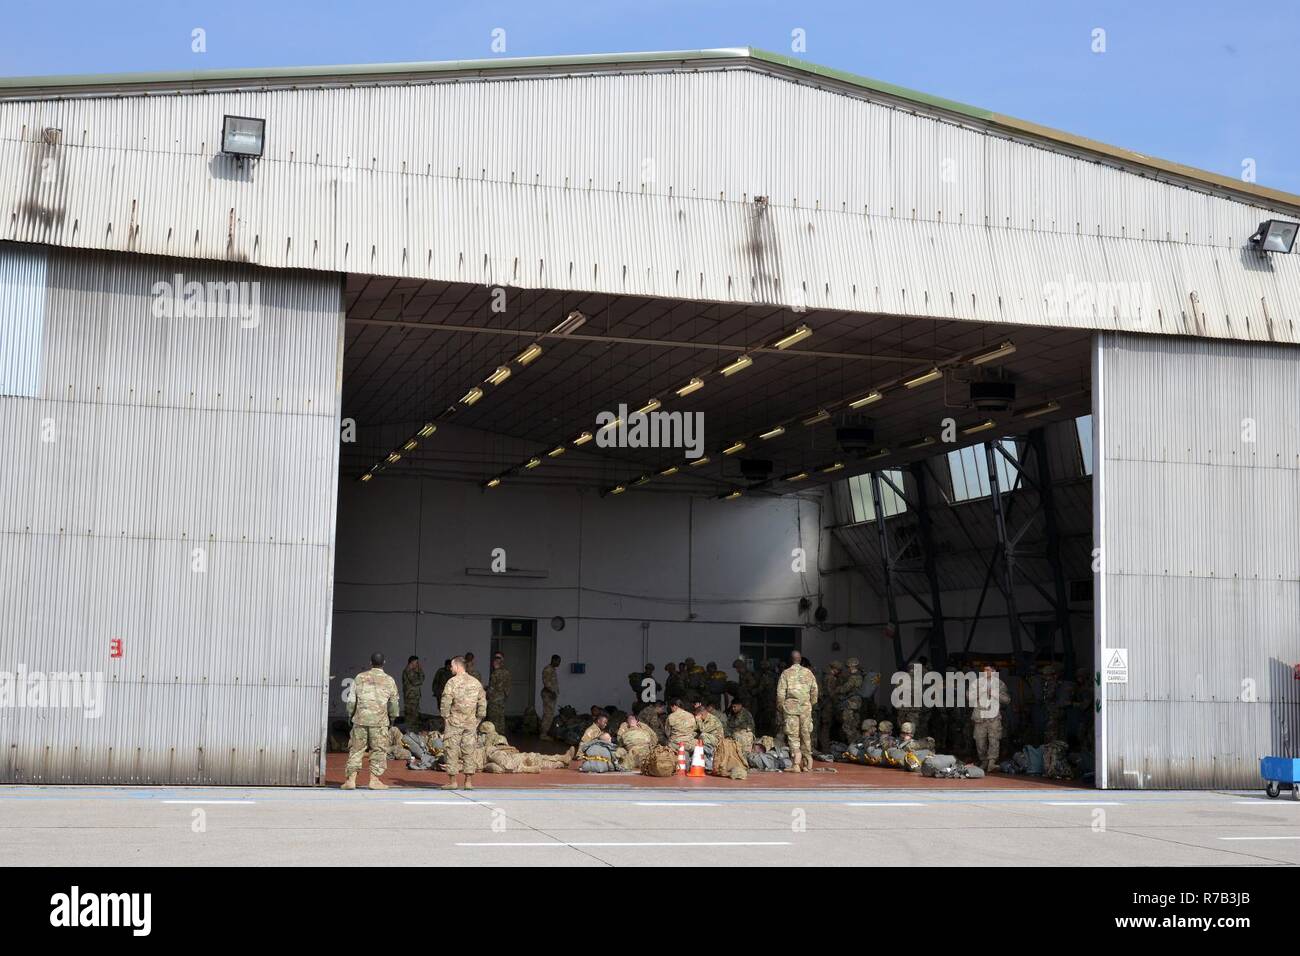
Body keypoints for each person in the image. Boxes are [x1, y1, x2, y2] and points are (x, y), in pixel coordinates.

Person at [343, 652, 400, 790]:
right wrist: (392, 718)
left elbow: (351, 700)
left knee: (356, 750)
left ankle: (351, 780)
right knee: (378, 750)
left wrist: (350, 715)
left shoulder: (359, 677)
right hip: (379, 722)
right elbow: (393, 703)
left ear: (370, 663)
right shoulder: (389, 680)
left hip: (360, 720)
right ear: (384, 663)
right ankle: (374, 780)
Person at [439, 656, 487, 790]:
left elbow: (445, 701)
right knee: (469, 751)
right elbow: (482, 702)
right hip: (471, 722)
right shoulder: (476, 682)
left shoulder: (452, 682)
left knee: (451, 750)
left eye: (452, 666)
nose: (450, 668)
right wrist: (479, 718)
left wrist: (445, 717)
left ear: (458, 666)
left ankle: (453, 781)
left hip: (454, 722)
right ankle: (468, 782)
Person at [777, 650, 818, 772]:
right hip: (805, 708)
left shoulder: (786, 673)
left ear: (791, 660)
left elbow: (780, 694)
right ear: (800, 659)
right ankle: (807, 762)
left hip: (790, 709)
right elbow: (815, 691)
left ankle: (796, 764)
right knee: (806, 734)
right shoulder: (809, 673)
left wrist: (781, 707)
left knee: (793, 736)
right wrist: (809, 704)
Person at [480, 722, 574, 773]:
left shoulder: (485, 739)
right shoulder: (499, 736)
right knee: (535, 758)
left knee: (534, 759)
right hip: (511, 755)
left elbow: (496, 753)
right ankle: (560, 761)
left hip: (507, 757)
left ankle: (560, 761)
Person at [972, 664, 1011, 772]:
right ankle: (984, 761)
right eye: (984, 670)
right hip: (980, 717)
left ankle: (992, 762)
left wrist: (993, 693)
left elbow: (1007, 700)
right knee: (979, 741)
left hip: (993, 718)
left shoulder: (1000, 684)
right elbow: (968, 696)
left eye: (988, 670)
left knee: (994, 740)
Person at [487, 652, 511, 731]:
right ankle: (501, 736)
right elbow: (507, 686)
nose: (496, 660)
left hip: (494, 699)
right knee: (500, 718)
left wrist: (487, 695)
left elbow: (492, 687)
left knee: (493, 719)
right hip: (502, 698)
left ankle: (494, 737)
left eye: (498, 658)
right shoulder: (507, 672)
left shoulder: (495, 673)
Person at [539, 654, 561, 740]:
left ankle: (544, 732)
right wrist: (552, 692)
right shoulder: (548, 669)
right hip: (549, 694)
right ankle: (543, 734)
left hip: (551, 694)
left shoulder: (552, 669)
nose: (559, 663)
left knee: (549, 714)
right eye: (558, 661)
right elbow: (546, 682)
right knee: (548, 714)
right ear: (554, 660)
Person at [401, 656, 424, 727]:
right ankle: (410, 730)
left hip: (413, 696)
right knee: (411, 714)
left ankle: (413, 729)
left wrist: (419, 671)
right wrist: (420, 670)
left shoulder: (412, 671)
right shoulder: (408, 671)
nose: (417, 664)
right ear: (412, 662)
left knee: (414, 713)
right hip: (410, 696)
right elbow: (417, 682)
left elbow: (421, 679)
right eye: (416, 662)